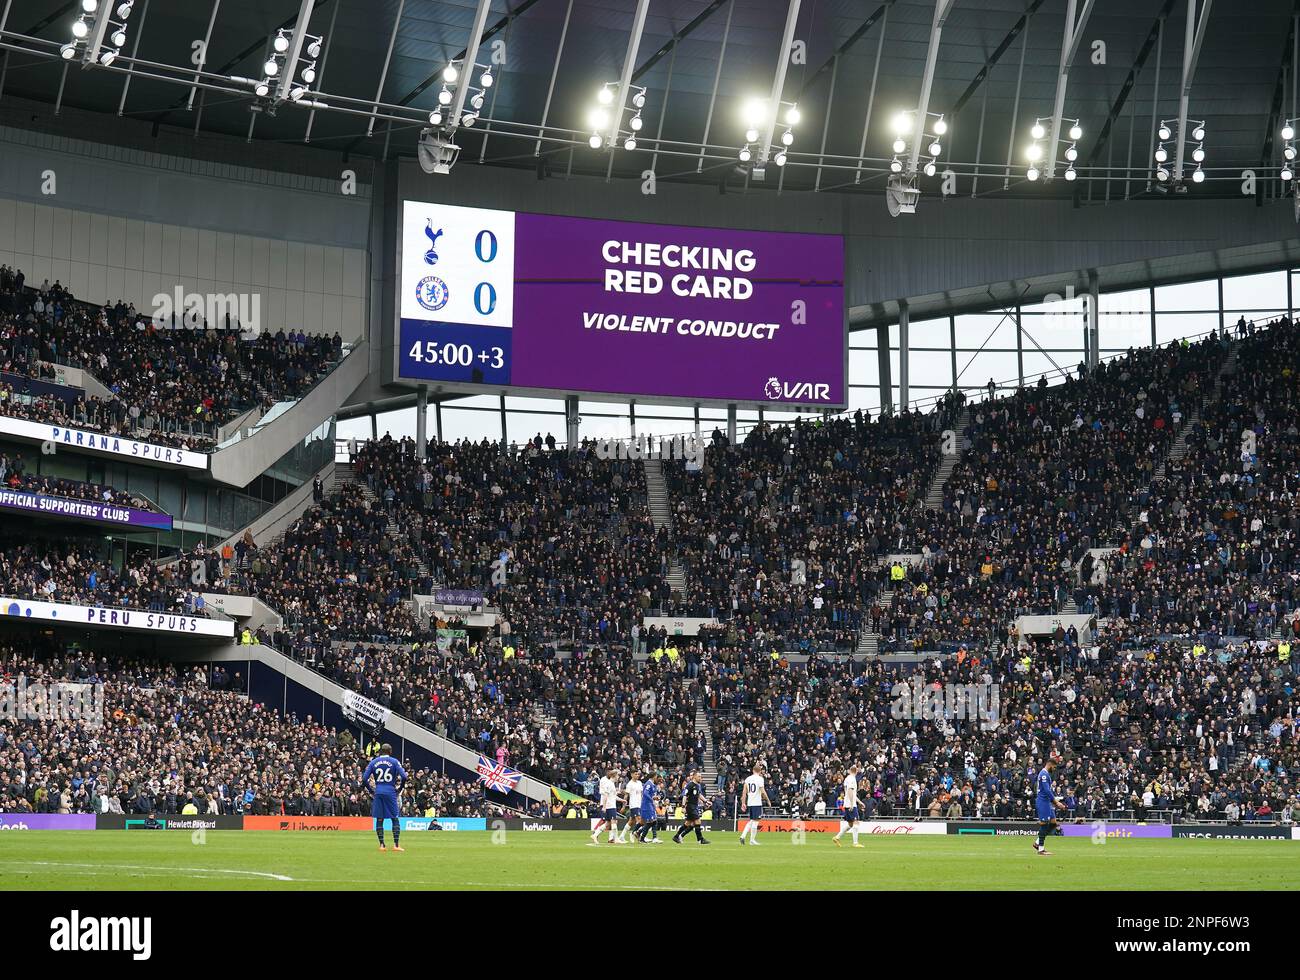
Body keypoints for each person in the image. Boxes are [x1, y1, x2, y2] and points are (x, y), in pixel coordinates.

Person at [362, 742, 407, 852]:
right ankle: (396, 845)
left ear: (381, 751)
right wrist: (400, 788)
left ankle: (382, 845)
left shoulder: (374, 762)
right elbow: (404, 776)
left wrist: (371, 789)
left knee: (380, 818)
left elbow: (364, 779)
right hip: (390, 791)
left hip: (379, 790)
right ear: (390, 752)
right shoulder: (394, 761)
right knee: (394, 817)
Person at [1034, 755, 1065, 856]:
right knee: (1045, 824)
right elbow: (1046, 790)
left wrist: (1054, 802)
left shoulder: (1046, 774)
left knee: (1053, 823)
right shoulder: (1043, 774)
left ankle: (1038, 842)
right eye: (1054, 767)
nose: (1054, 769)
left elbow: (1048, 790)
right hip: (1043, 802)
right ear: (1050, 765)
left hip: (1047, 802)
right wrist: (1056, 802)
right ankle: (1041, 849)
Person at [672, 769, 710, 845]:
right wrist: (683, 807)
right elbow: (684, 796)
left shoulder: (698, 785)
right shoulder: (689, 785)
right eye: (699, 776)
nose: (700, 778)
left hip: (695, 806)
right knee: (698, 821)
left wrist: (706, 801)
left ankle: (676, 836)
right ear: (695, 777)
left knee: (688, 823)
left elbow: (699, 795)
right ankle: (700, 839)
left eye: (701, 776)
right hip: (690, 806)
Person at [738, 762, 771, 846]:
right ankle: (752, 840)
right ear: (760, 771)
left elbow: (744, 792)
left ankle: (743, 836)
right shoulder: (760, 779)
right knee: (755, 822)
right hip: (757, 802)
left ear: (753, 770)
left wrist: (743, 803)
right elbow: (763, 792)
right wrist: (768, 800)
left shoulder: (748, 779)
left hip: (750, 802)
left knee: (752, 820)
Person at [832, 763, 863, 848]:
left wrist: (859, 802)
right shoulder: (852, 779)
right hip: (850, 804)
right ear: (856, 771)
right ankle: (855, 843)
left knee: (850, 824)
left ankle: (837, 837)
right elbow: (850, 791)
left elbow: (851, 792)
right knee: (856, 822)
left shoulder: (847, 779)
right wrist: (853, 804)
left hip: (847, 803)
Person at [590, 767, 623, 845]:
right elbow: (605, 796)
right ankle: (616, 839)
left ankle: (595, 835)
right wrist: (604, 806)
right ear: (614, 776)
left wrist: (621, 799)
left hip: (610, 805)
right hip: (610, 806)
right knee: (613, 822)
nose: (618, 777)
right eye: (617, 776)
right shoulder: (609, 784)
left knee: (608, 823)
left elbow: (612, 795)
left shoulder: (611, 784)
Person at [635, 774, 662, 844]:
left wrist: (654, 798)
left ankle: (640, 834)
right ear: (653, 776)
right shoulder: (649, 784)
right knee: (652, 821)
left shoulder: (652, 784)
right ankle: (640, 835)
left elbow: (649, 794)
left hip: (650, 804)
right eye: (656, 776)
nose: (657, 777)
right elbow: (645, 793)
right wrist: (651, 799)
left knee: (653, 821)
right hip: (647, 805)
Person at [620, 769, 644, 844]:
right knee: (639, 820)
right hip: (634, 804)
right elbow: (626, 795)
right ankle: (636, 834)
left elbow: (641, 794)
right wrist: (623, 806)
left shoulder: (640, 783)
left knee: (631, 821)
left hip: (639, 804)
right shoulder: (629, 784)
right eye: (636, 774)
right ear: (631, 775)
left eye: (638, 774)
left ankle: (622, 836)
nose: (637, 775)